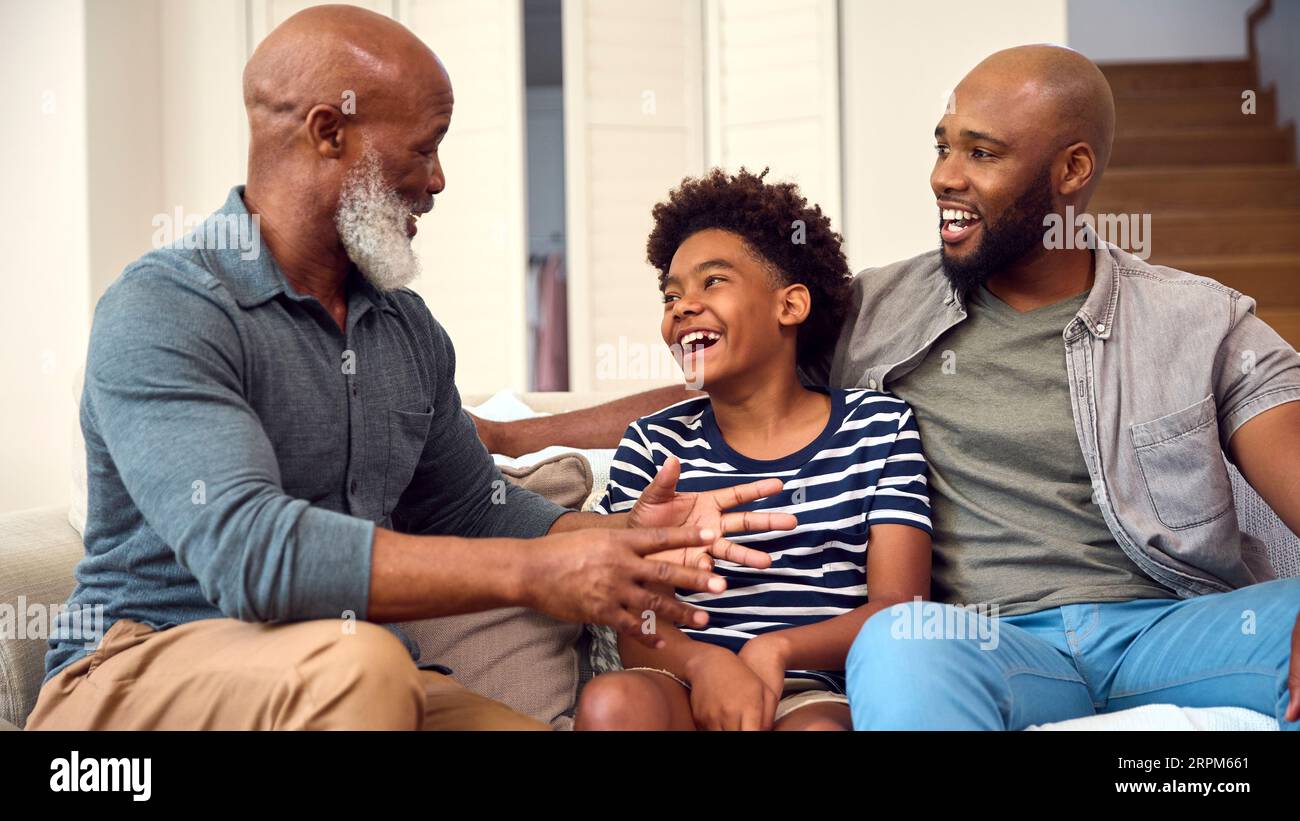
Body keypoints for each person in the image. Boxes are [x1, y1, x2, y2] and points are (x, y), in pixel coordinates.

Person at [483, 45, 1300, 730]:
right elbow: (730, 384)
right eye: (942, 146)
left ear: (1072, 170)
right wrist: (518, 436)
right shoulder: (879, 310)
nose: (945, 175)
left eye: (981, 153)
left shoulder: (1199, 321)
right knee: (900, 641)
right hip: (987, 643)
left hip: (1168, 628)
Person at [26, 5, 786, 732]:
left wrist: (615, 536)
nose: (439, 179)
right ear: (330, 132)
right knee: (367, 667)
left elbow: (471, 506)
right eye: (425, 147)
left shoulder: (404, 329)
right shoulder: (166, 307)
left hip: (356, 676)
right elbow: (250, 551)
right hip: (135, 671)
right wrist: (532, 574)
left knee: (380, 673)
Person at [574, 169, 932, 731]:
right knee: (612, 702)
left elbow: (899, 612)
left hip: (810, 687)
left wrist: (776, 651)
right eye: (671, 295)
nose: (682, 307)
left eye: (712, 282)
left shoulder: (877, 428)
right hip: (683, 680)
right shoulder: (652, 442)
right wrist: (707, 662)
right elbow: (635, 617)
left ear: (789, 306)